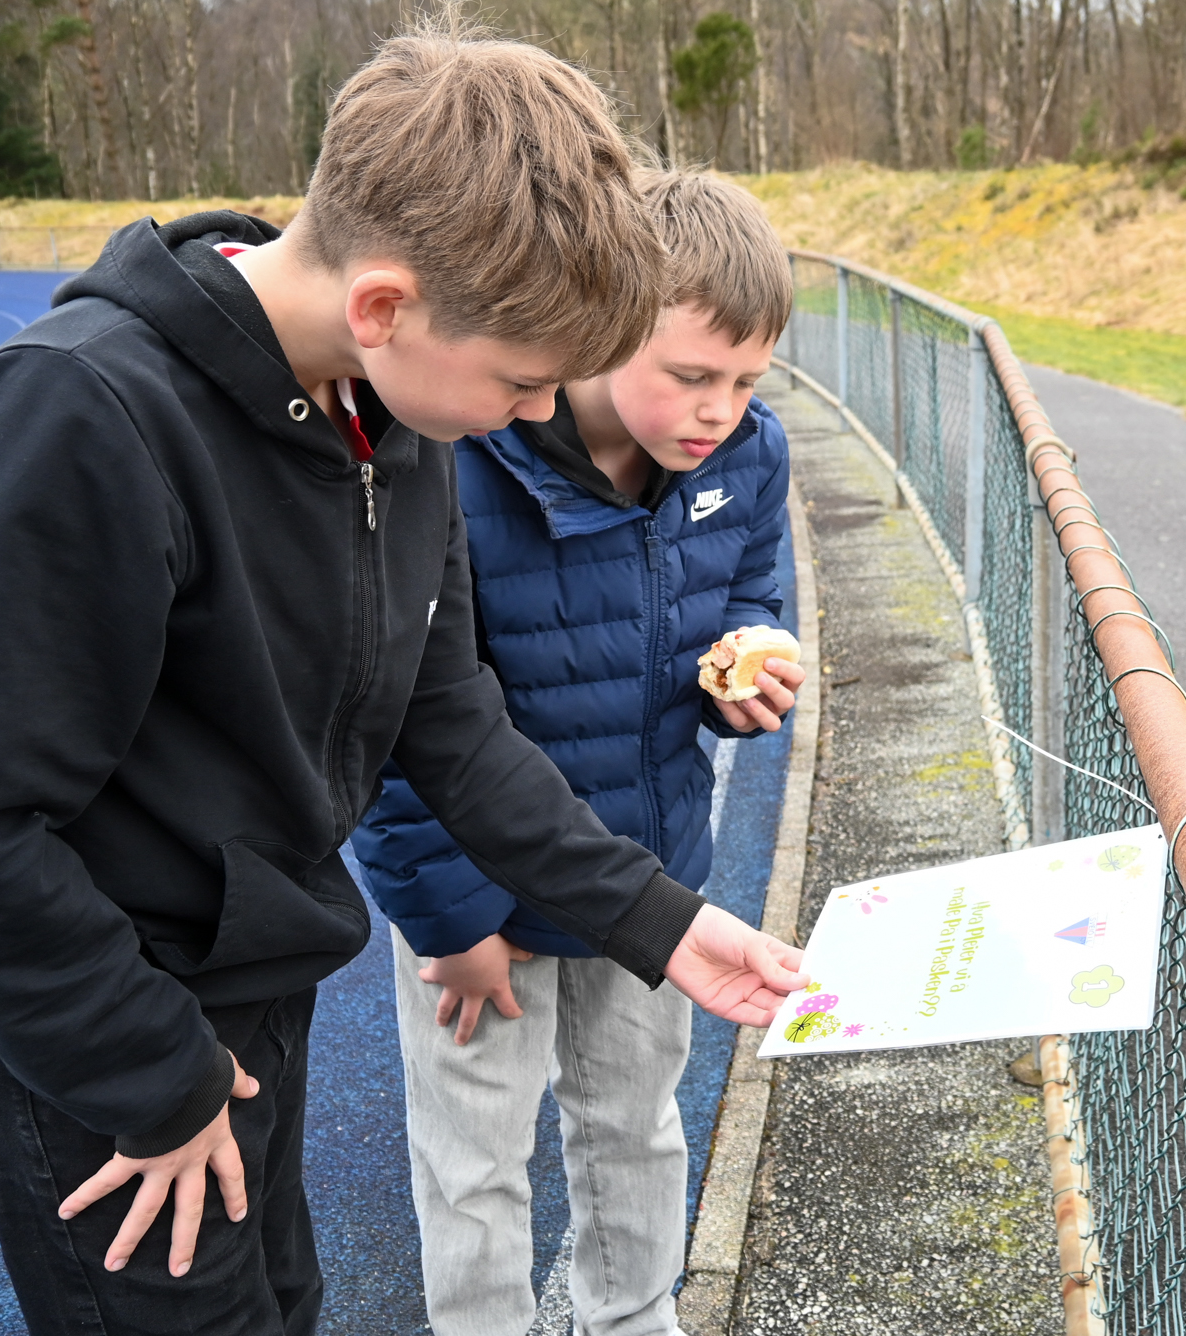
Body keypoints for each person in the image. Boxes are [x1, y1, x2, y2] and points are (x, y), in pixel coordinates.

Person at [0, 31, 805, 1336]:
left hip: (247, 987)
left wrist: (663, 924)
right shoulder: (73, 420)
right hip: (88, 1024)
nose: (538, 415)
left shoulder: (388, 410)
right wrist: (157, 1080)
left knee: (284, 1306)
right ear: (382, 306)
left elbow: (448, 721)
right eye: (521, 380)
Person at [351, 170, 802, 1336]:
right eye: (690, 375)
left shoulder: (750, 456)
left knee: (635, 1127)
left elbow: (747, 596)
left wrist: (750, 668)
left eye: (746, 381)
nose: (719, 410)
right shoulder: (459, 454)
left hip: (650, 874)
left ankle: (633, 1316)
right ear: (600, 327)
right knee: (473, 1159)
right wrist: (446, 919)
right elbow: (396, 713)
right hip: (477, 893)